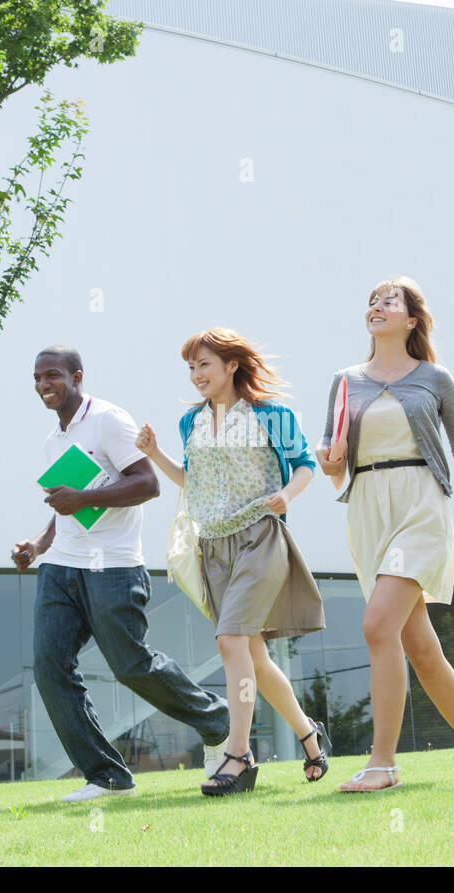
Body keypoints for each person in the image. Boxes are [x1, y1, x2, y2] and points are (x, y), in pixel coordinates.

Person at [12, 346, 232, 803]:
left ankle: (218, 720)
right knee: (50, 667)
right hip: (61, 567)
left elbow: (148, 483)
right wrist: (37, 544)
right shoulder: (52, 440)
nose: (43, 385)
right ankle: (106, 776)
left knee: (131, 665)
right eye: (36, 378)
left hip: (112, 567)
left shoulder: (109, 420)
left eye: (52, 375)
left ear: (76, 376)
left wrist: (83, 500)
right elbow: (67, 505)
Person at [317, 278, 454, 791]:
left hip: (421, 501)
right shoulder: (344, 380)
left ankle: (383, 764)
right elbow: (331, 459)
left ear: (412, 319)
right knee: (420, 648)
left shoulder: (435, 378)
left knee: (377, 626)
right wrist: (328, 461)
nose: (377, 306)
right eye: (371, 301)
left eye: (389, 300)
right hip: (366, 508)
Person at [136, 328, 329, 796]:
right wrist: (154, 454)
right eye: (191, 367)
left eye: (204, 364)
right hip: (213, 547)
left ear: (230, 366)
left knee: (229, 642)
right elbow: (193, 482)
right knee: (253, 656)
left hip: (260, 537)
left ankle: (238, 756)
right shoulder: (191, 422)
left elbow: (306, 463)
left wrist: (285, 494)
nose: (196, 375)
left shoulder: (272, 415)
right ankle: (310, 735)